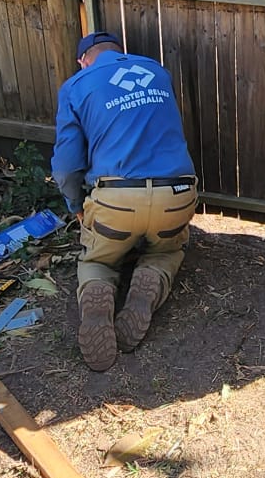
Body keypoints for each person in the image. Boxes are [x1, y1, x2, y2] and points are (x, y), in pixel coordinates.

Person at [51, 32, 199, 372]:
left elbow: (67, 164)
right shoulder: (156, 72)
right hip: (176, 194)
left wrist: (75, 204)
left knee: (98, 261)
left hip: (117, 200)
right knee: (166, 250)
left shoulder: (76, 86)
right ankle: (148, 284)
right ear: (121, 52)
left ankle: (98, 291)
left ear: (83, 60)